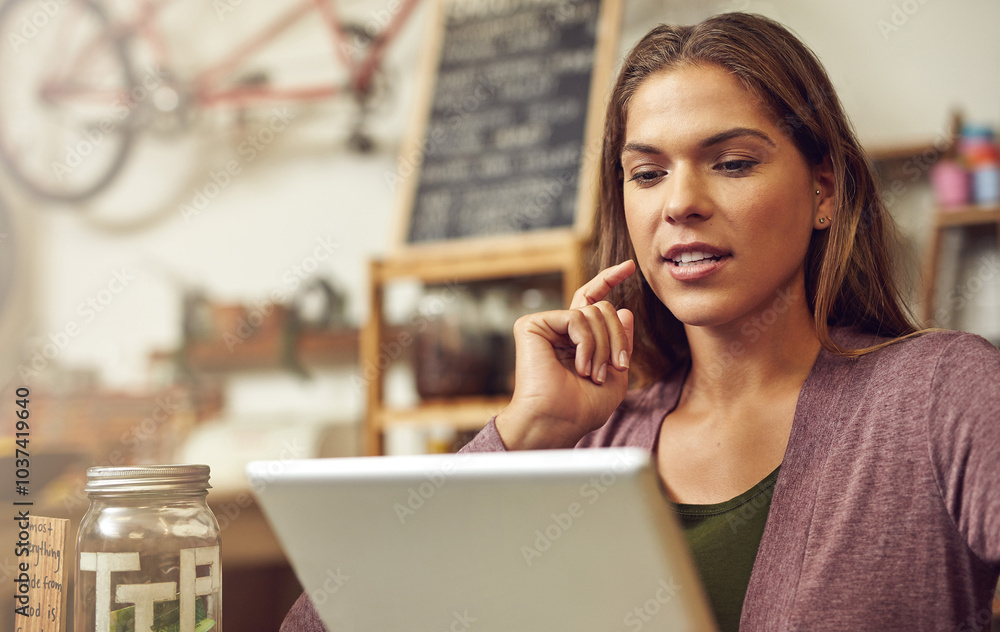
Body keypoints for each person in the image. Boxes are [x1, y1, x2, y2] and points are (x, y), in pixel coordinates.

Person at [280, 12, 1000, 632]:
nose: (680, 203)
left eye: (732, 163)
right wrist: (523, 437)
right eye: (647, 173)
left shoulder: (938, 393)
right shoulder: (591, 442)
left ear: (824, 192)